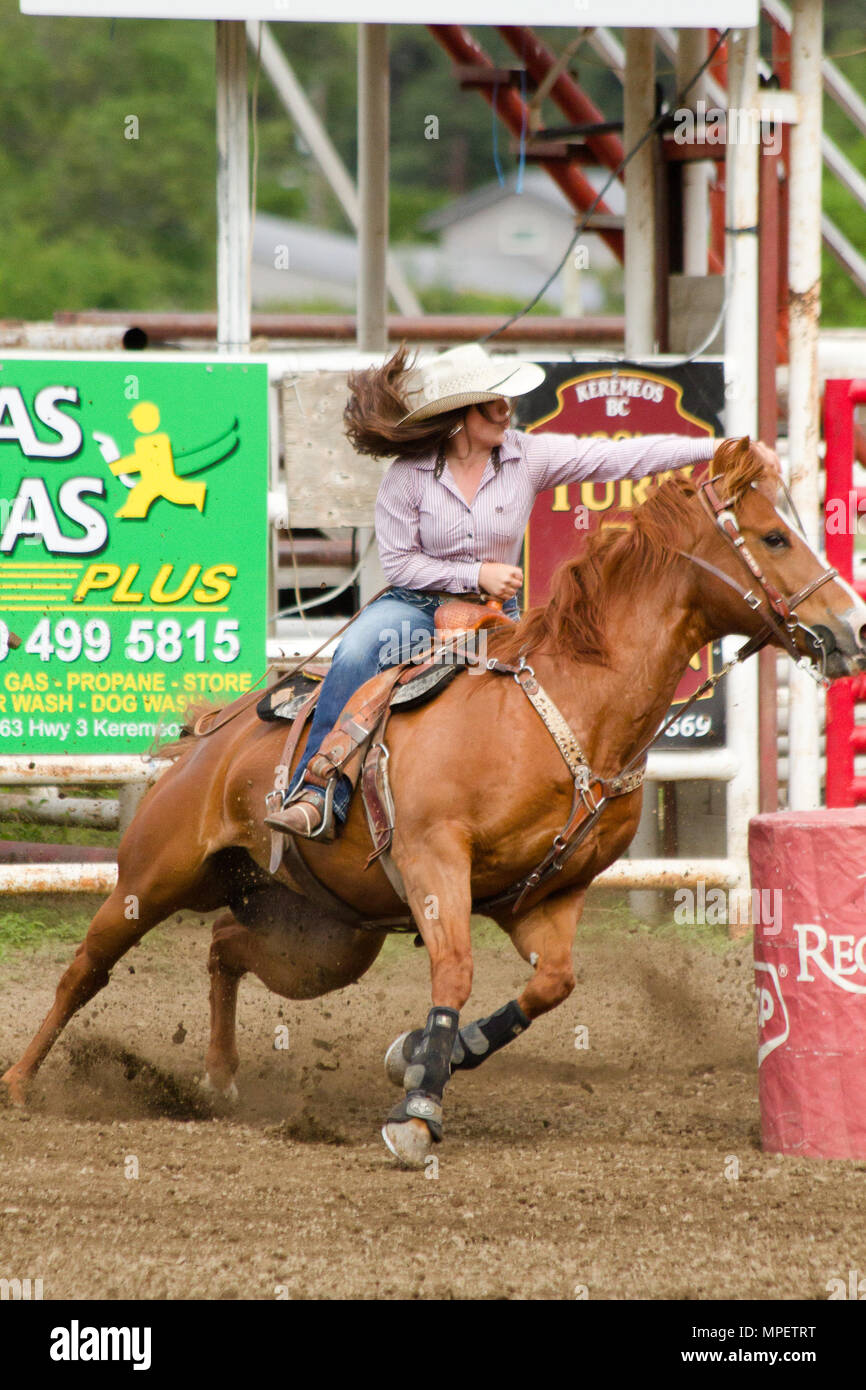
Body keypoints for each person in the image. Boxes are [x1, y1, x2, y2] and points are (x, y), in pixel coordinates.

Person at [264, 342, 769, 841]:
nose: (509, 411)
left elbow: (621, 456)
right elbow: (399, 563)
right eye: (496, 402)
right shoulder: (405, 477)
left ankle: (539, 813)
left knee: (552, 684)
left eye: (508, 401)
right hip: (413, 608)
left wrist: (720, 449)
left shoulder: (528, 456)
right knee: (357, 651)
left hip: (495, 615)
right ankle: (318, 790)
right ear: (463, 414)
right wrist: (476, 574)